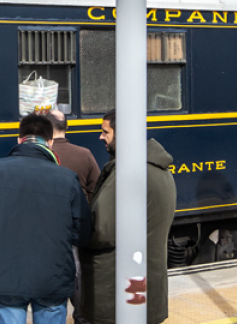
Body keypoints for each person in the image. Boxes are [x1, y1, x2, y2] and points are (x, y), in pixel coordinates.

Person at [0, 113, 90, 324]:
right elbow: (82, 230)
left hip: (5, 273)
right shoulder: (67, 178)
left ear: (19, 139)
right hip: (53, 276)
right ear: (50, 142)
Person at [80, 110, 177, 324]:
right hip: (146, 285)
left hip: (117, 289)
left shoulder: (127, 173)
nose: (101, 137)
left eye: (105, 132)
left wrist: (79, 234)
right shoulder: (160, 169)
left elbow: (101, 230)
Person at [46, 109, 100, 324]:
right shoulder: (84, 153)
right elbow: (96, 189)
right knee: (77, 271)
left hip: (48, 226)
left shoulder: (43, 156)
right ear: (66, 128)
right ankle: (81, 316)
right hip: (74, 224)